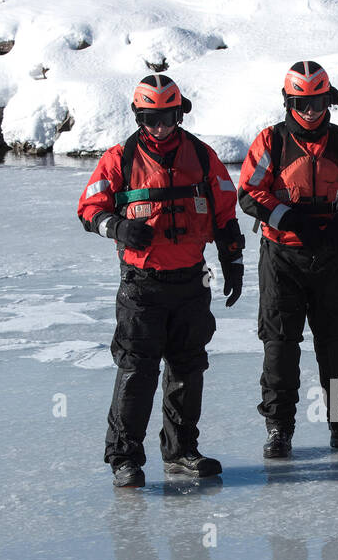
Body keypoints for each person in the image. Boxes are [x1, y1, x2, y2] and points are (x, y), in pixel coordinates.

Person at [78, 75, 244, 487]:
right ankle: (124, 458)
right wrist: (116, 227)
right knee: (138, 371)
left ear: (179, 112)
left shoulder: (203, 157)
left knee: (189, 368)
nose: (160, 126)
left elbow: (225, 213)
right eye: (151, 118)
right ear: (139, 117)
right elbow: (88, 209)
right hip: (142, 286)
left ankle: (182, 451)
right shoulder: (119, 158)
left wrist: (233, 261)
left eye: (167, 116)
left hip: (190, 283)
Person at [237, 60, 338, 459]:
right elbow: (249, 191)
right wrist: (290, 219)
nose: (310, 110)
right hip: (282, 257)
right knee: (279, 345)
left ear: (328, 100)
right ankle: (279, 429)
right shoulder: (269, 142)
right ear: (288, 102)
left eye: (317, 101)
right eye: (301, 102)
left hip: (332, 256)